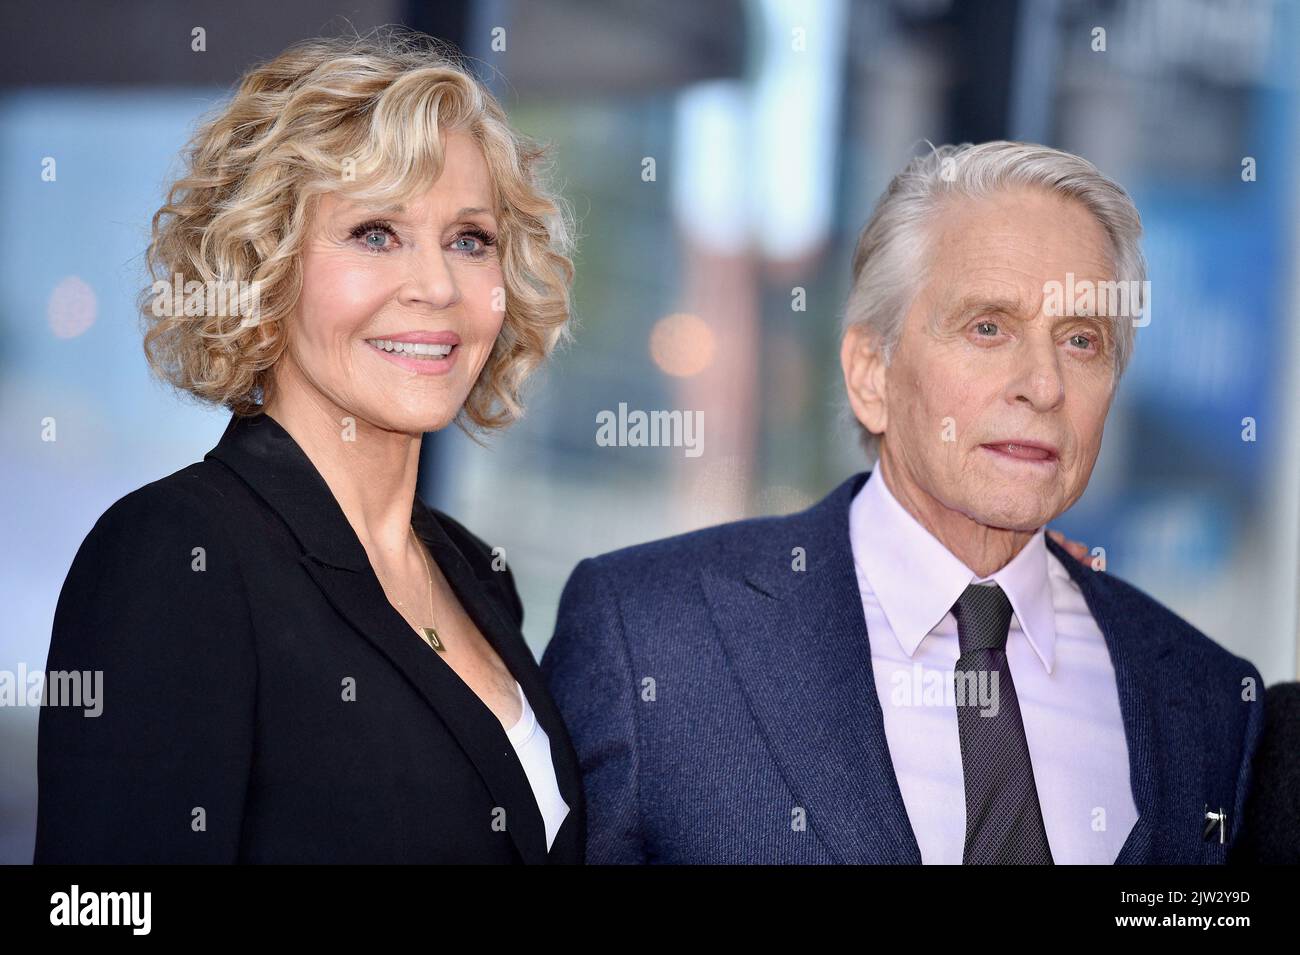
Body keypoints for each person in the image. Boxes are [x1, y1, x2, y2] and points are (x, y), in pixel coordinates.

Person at [543, 141, 1264, 864]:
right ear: (870, 373)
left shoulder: (1206, 698)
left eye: (1081, 340)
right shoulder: (651, 632)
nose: (1043, 385)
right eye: (988, 327)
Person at [36, 29, 583, 864]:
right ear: (266, 266)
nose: (436, 285)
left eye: (469, 239)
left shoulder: (476, 574)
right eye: (374, 232)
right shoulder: (178, 556)